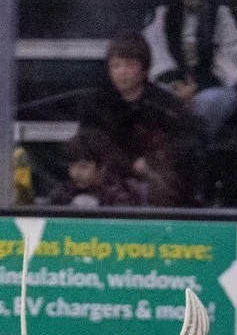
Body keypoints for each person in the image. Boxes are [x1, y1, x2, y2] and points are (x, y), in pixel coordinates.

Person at [141, 0, 237, 141]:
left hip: (212, 84)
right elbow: (154, 48)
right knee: (157, 100)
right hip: (172, 83)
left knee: (208, 102)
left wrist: (199, 85)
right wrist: (175, 83)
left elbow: (235, 51)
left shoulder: (222, 5)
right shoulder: (162, 6)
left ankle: (194, 146)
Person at [79, 31, 203, 207]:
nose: (122, 72)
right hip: (109, 178)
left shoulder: (165, 104)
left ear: (144, 69)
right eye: (116, 66)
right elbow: (86, 143)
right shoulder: (98, 105)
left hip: (155, 182)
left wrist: (152, 162)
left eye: (130, 65)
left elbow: (186, 143)